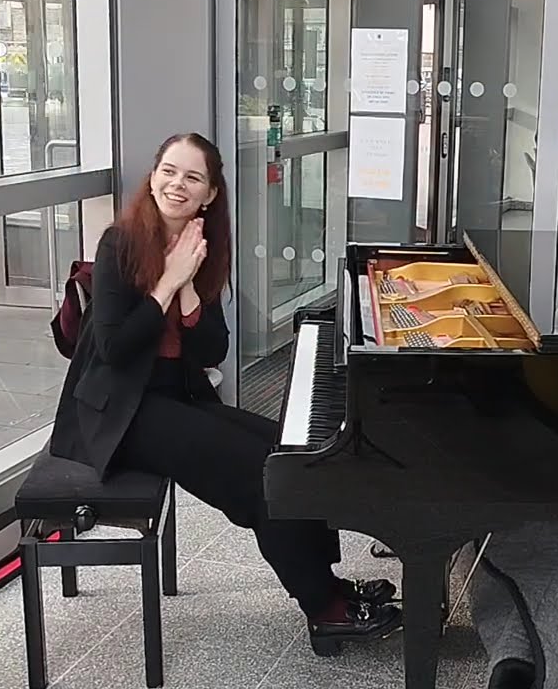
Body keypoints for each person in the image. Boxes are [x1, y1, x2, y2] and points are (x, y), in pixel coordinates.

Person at [49, 132, 402, 655]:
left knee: (293, 453)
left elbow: (213, 348)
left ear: (210, 193)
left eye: (193, 177)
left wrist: (191, 286)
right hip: (123, 414)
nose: (177, 184)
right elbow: (115, 349)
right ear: (153, 176)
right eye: (169, 171)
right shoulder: (118, 244)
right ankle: (324, 609)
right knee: (266, 478)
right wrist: (167, 283)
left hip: (177, 397)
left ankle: (326, 583)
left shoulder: (199, 247)